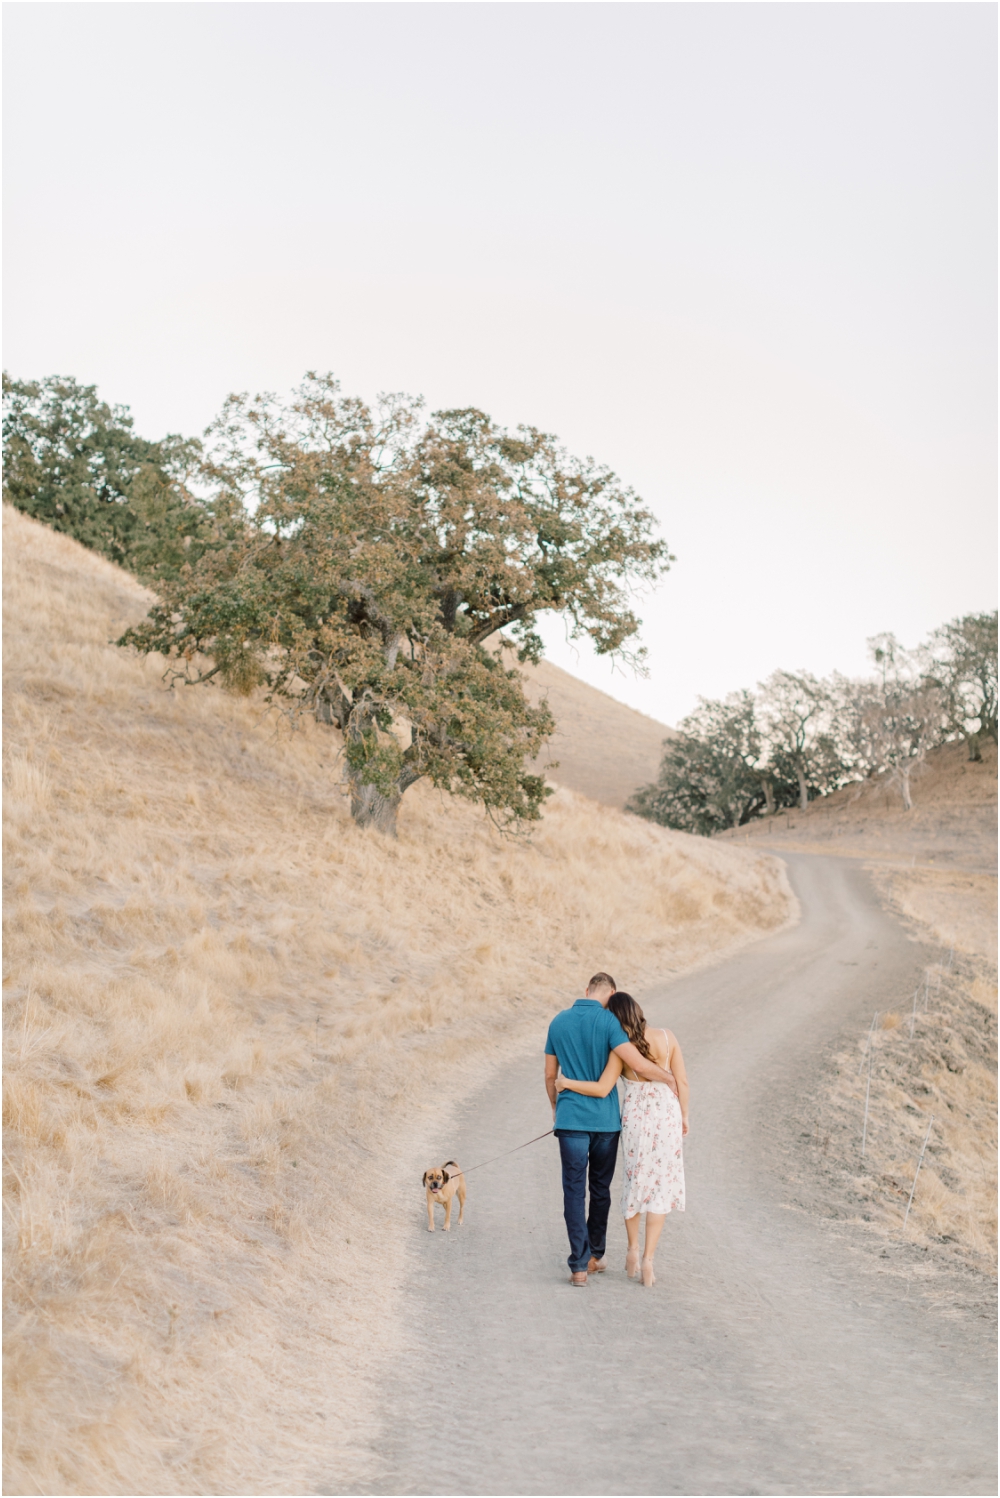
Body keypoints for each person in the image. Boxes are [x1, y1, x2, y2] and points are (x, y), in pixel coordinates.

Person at [544, 973, 677, 1286]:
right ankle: (595, 1255)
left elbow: (550, 1075)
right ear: (611, 993)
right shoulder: (609, 1024)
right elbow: (640, 1065)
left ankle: (578, 1265)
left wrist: (556, 1109)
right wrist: (668, 1078)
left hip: (571, 1122)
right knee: (599, 1189)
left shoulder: (557, 1023)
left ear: (586, 990)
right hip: (606, 1124)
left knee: (574, 1191)